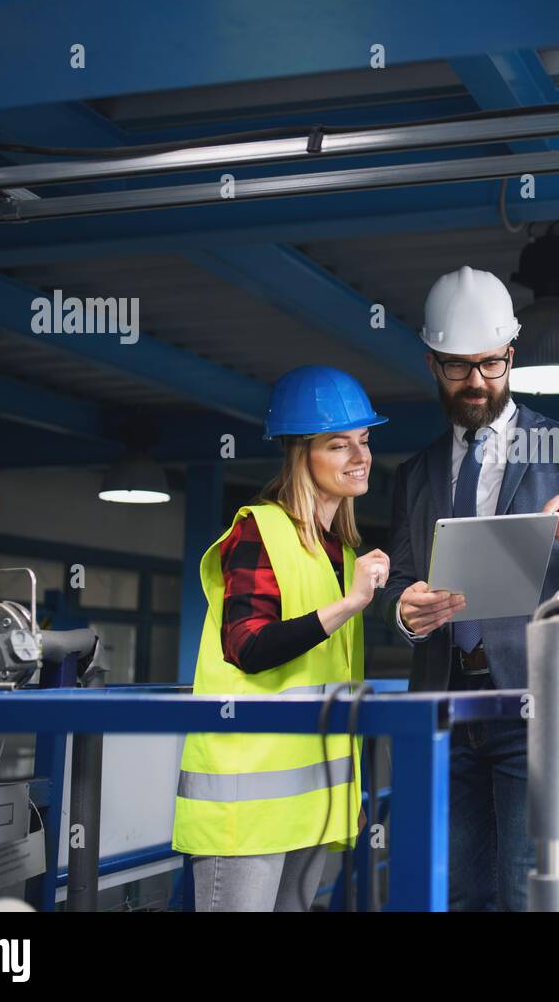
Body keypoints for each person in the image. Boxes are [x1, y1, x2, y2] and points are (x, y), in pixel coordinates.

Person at [383, 266, 559, 911]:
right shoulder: (414, 473)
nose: (477, 381)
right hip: (443, 708)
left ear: (511, 355)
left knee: (528, 889)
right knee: (457, 891)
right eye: (457, 367)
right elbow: (402, 576)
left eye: (491, 365)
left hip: (533, 705)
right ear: (431, 364)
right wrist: (405, 611)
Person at [172, 366, 390, 912]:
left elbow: (331, 681)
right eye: (338, 445)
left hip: (312, 801)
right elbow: (247, 644)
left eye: (363, 441)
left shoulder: (337, 553)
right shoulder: (259, 530)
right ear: (300, 455)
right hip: (244, 806)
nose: (359, 456)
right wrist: (349, 604)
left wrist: (349, 796)